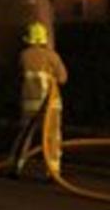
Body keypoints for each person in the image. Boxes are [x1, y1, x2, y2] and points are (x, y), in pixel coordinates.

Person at [9, 20, 67, 178]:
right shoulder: (52, 56)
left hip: (30, 104)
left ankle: (16, 167)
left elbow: (18, 76)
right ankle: (53, 171)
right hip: (50, 105)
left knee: (25, 135)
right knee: (52, 137)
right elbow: (63, 78)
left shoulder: (24, 56)